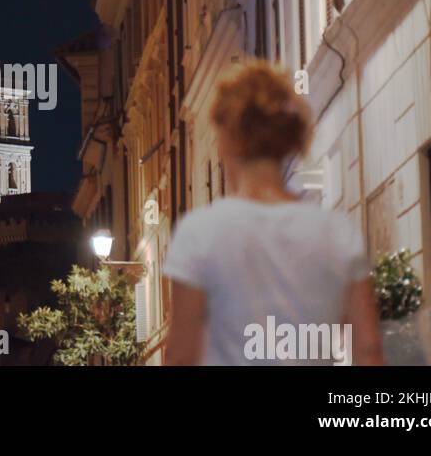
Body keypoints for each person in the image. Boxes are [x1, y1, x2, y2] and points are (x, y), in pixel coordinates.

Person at [162, 61, 382, 365]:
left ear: (226, 140)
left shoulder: (199, 233)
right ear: (291, 139)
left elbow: (180, 356)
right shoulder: (337, 233)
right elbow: (368, 350)